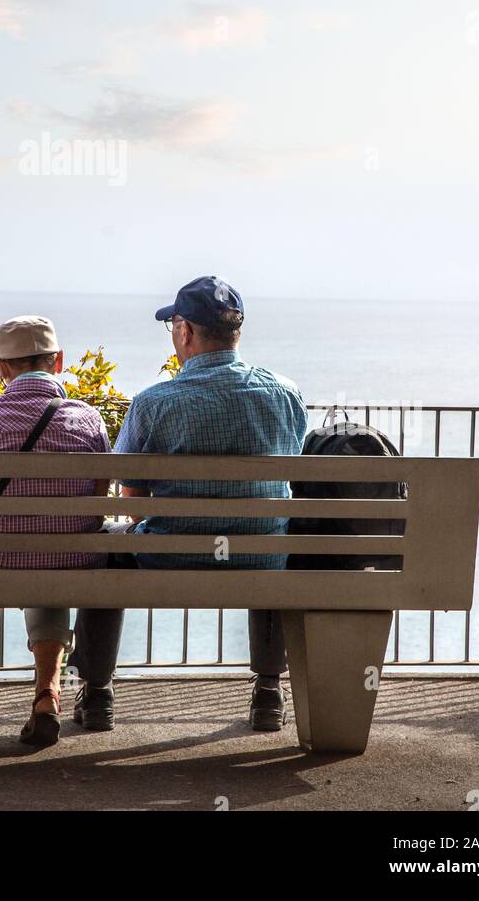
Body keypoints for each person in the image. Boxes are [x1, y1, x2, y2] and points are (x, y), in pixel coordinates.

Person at [114, 276, 307, 731]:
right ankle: (267, 691)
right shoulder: (285, 393)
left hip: (169, 557)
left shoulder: (152, 403)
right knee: (267, 535)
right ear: (235, 332)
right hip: (264, 557)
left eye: (173, 327)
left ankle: (98, 693)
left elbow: (133, 500)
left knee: (102, 549)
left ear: (185, 331)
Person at [0, 315, 123, 746]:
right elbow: (97, 512)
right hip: (71, 561)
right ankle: (47, 694)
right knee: (52, 566)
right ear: (58, 361)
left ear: (2, 368)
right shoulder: (89, 420)